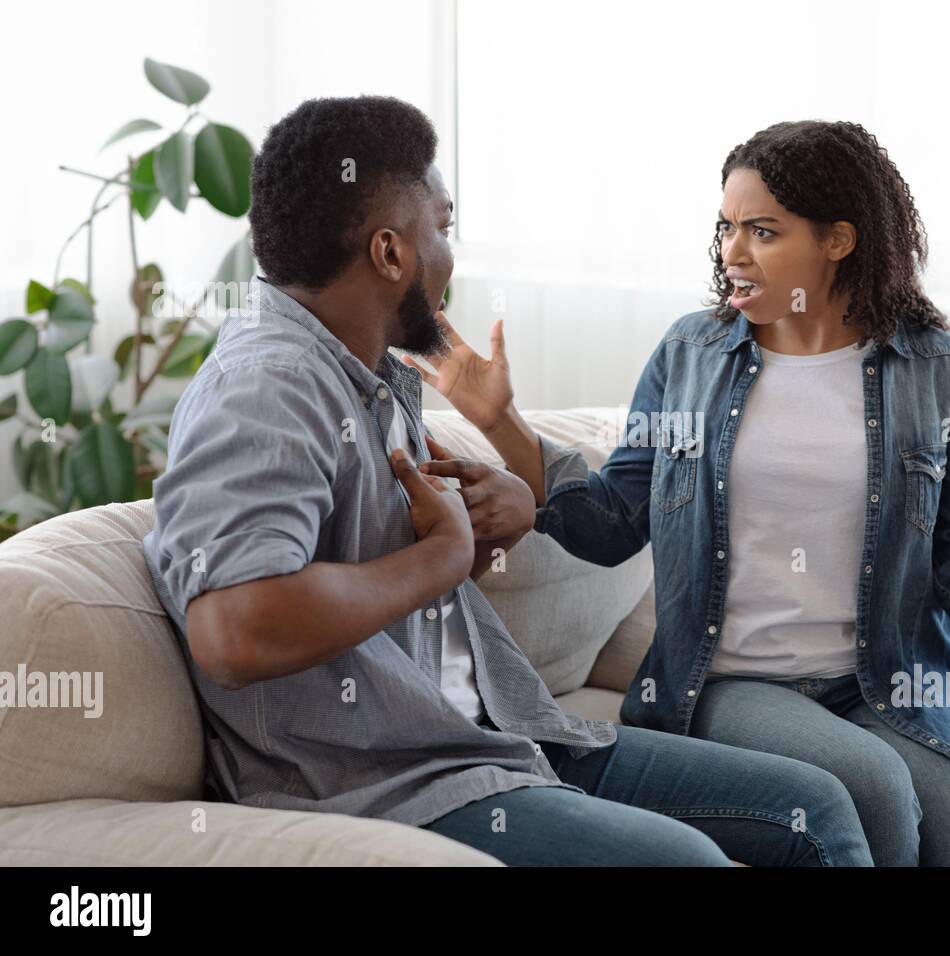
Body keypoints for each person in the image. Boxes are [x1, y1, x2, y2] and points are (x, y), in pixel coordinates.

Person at [142, 98, 873, 867]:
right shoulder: (269, 385)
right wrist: (440, 556)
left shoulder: (368, 377)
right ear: (391, 254)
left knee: (814, 810)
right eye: (445, 228)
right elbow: (234, 629)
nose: (453, 259)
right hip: (395, 782)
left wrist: (478, 504)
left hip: (506, 739)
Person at [407, 119, 950, 866]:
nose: (733, 251)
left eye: (763, 231)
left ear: (839, 239)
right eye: (727, 228)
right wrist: (499, 420)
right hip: (734, 682)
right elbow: (613, 519)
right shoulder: (690, 356)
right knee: (875, 783)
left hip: (892, 682)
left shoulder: (942, 369)